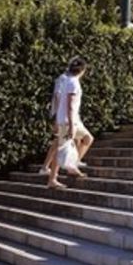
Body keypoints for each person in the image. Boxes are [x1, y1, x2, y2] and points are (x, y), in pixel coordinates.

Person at [45, 56, 93, 189]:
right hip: (68, 122)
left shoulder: (66, 81)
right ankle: (53, 179)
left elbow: (60, 102)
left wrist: (57, 119)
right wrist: (71, 125)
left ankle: (72, 166)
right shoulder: (73, 83)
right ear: (82, 70)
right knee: (62, 148)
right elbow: (70, 106)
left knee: (87, 138)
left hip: (67, 120)